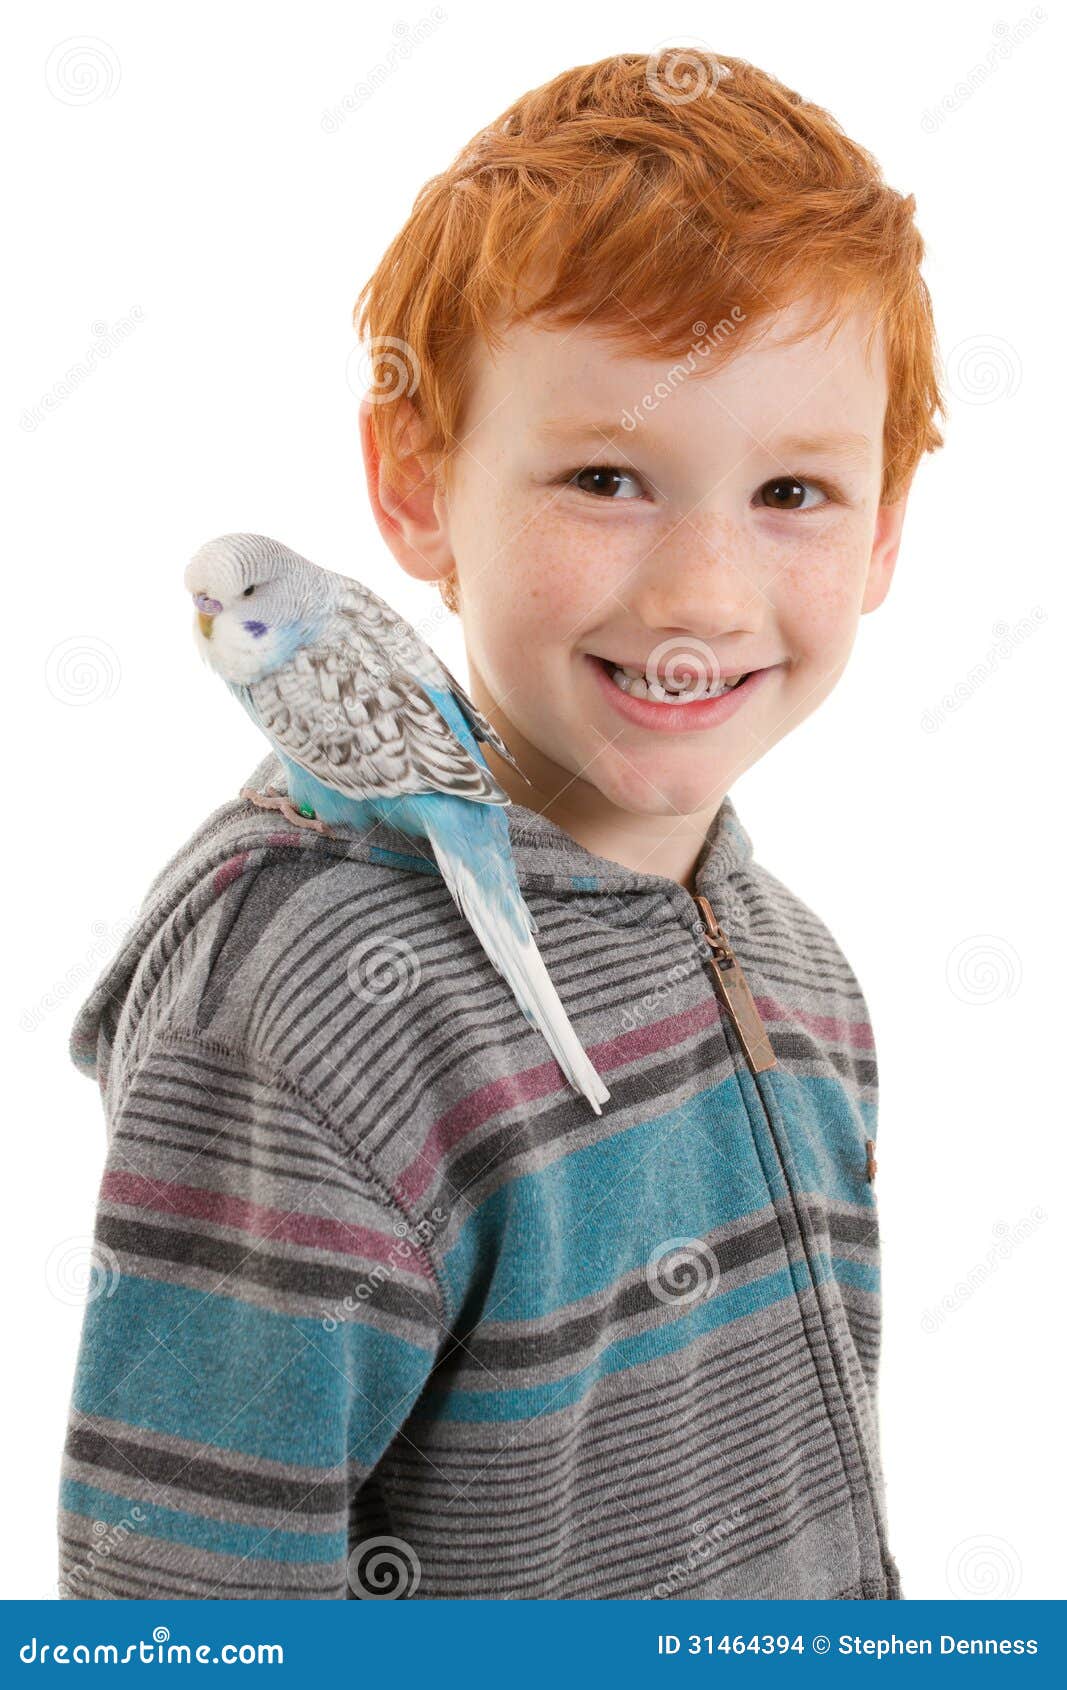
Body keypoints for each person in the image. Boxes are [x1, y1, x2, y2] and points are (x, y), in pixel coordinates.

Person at [58, 48, 943, 1600]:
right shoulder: (309, 1001)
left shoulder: (798, 965)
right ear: (413, 483)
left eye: (793, 492)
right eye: (606, 476)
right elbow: (182, 1612)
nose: (702, 596)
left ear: (884, 531)